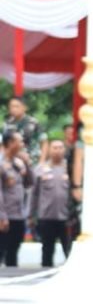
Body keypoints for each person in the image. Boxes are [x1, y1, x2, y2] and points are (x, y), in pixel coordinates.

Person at [30, 138, 73, 266]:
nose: (57, 151)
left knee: (69, 250)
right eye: (54, 148)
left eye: (60, 147)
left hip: (66, 218)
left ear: (64, 150)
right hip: (46, 217)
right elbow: (34, 194)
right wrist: (31, 215)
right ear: (49, 150)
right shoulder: (40, 169)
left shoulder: (70, 169)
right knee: (47, 250)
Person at [1, 130, 33, 266]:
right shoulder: (1, 163)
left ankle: (12, 278)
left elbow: (29, 183)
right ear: (10, 143)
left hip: (18, 215)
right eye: (20, 141)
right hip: (5, 217)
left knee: (13, 253)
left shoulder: (19, 163)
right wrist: (2, 217)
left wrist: (27, 164)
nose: (22, 144)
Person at [4, 97, 41, 162]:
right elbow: (4, 143)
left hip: (32, 158)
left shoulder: (33, 122)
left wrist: (42, 162)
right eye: (11, 107)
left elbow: (43, 141)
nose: (13, 109)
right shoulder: (7, 123)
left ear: (24, 108)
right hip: (12, 159)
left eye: (16, 106)